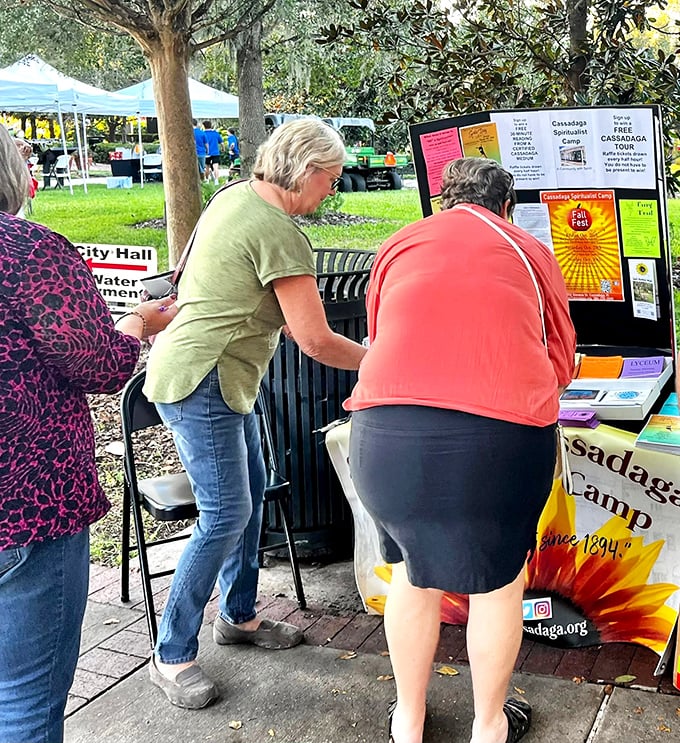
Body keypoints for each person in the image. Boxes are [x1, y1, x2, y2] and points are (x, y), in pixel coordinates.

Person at [345, 157, 576, 743]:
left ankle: (409, 719)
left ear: (442, 201)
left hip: (385, 437)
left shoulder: (398, 243)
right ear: (507, 207)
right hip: (498, 441)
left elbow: (379, 336)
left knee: (409, 576)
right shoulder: (526, 247)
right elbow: (563, 360)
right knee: (498, 583)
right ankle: (489, 726)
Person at [143, 117, 367, 709]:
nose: (332, 191)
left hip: (215, 375)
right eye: (331, 179)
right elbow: (315, 341)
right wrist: (380, 363)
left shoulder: (234, 195)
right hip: (202, 379)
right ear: (306, 170)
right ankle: (171, 657)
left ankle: (237, 617)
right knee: (225, 513)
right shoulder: (279, 232)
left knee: (249, 494)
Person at [0, 124, 178, 743]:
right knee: (24, 702)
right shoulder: (28, 251)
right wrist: (135, 325)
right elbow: (99, 365)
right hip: (25, 509)